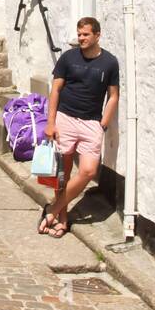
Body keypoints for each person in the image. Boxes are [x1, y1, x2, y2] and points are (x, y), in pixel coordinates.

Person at [39, 17, 120, 237]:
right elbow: (55, 90)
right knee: (62, 174)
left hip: (92, 122)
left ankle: (52, 209)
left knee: (88, 171)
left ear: (97, 35)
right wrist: (51, 122)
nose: (81, 38)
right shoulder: (68, 58)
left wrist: (103, 123)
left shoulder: (110, 63)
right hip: (65, 118)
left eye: (85, 34)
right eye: (79, 34)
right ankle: (62, 220)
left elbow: (113, 96)